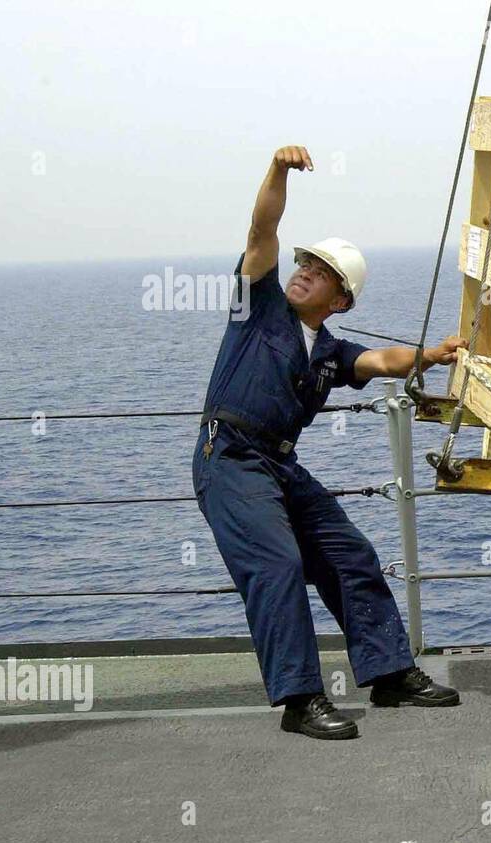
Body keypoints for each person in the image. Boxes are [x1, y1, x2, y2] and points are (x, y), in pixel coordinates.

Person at [194, 145, 467, 740]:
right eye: (303, 263)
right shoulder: (256, 305)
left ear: (339, 300)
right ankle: (300, 700)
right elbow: (262, 227)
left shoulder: (329, 351)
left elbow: (382, 359)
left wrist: (432, 355)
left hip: (277, 465)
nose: (302, 271)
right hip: (231, 457)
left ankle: (390, 673)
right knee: (277, 564)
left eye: (318, 272)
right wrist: (277, 168)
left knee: (351, 556)